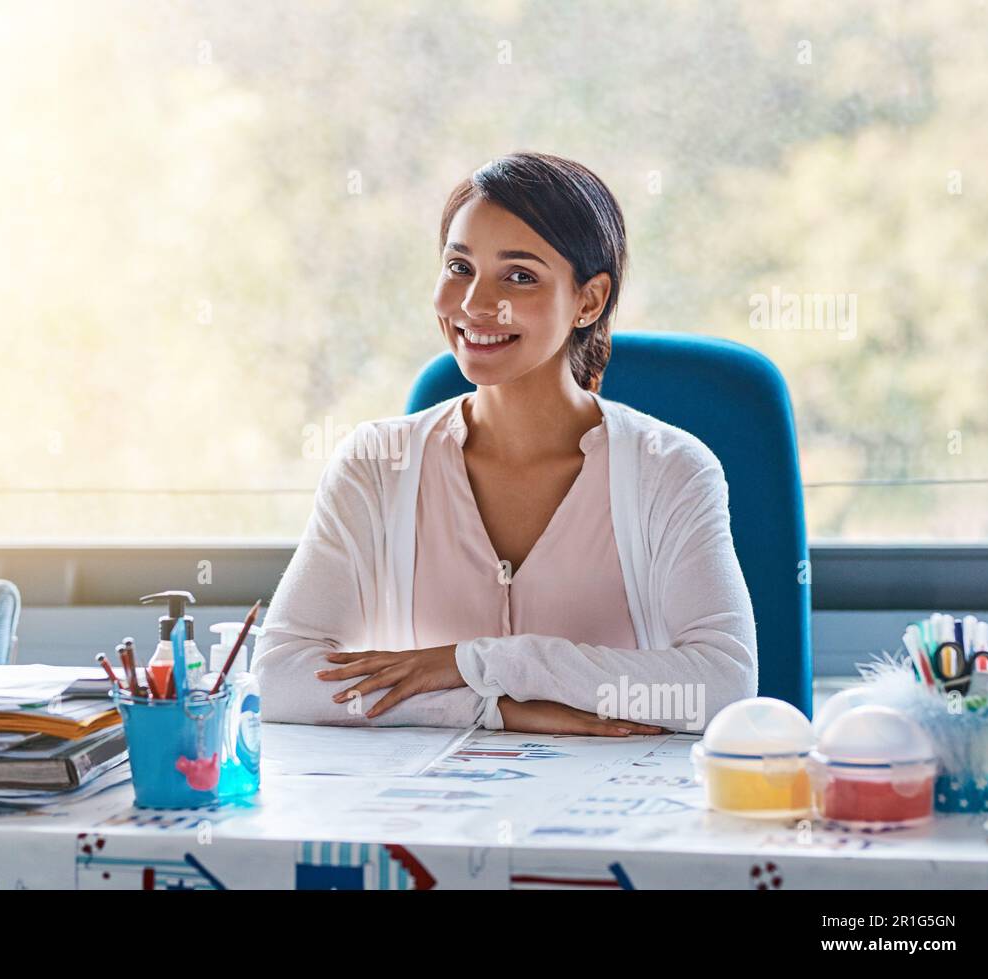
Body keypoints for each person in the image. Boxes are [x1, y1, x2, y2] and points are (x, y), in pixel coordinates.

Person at [253, 151, 757, 735]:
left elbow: (720, 689)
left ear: (588, 302)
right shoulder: (375, 464)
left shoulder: (670, 470)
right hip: (426, 815)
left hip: (607, 813)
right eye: (459, 267)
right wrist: (491, 708)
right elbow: (280, 679)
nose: (474, 305)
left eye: (519, 276)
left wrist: (478, 662)